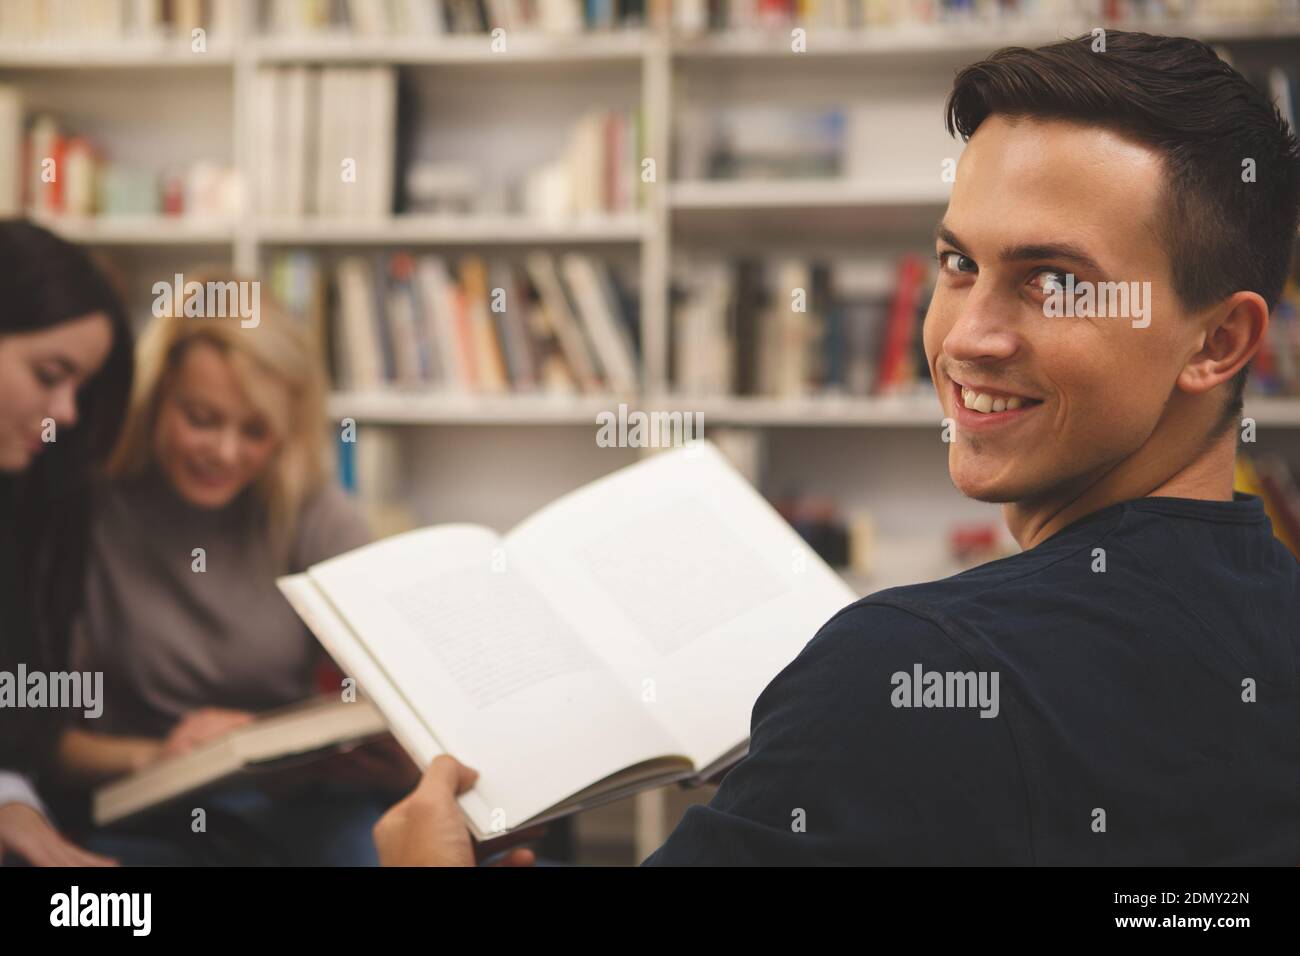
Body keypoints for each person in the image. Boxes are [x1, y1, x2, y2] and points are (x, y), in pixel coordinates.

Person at [372, 31, 1300, 866]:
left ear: (1218, 342)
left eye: (1054, 282)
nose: (965, 337)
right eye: (958, 264)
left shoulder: (908, 667)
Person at [57, 277, 414, 865]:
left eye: (255, 431)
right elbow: (37, 740)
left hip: (296, 804)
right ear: (157, 396)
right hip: (142, 805)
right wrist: (153, 756)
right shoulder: (92, 508)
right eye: (201, 418)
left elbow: (392, 679)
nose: (225, 453)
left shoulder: (308, 506)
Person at [0, 219, 134, 866]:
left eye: (79, 386)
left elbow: (13, 737)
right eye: (50, 373)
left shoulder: (25, 506)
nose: (68, 412)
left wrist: (11, 806)